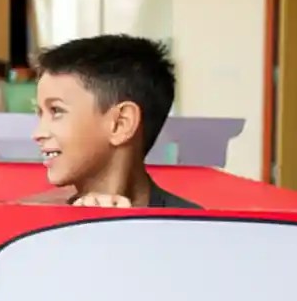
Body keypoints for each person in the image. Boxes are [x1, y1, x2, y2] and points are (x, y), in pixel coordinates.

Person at [29, 34, 199, 209]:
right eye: (40, 113)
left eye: (56, 111)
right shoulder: (31, 220)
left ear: (121, 123)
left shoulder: (195, 228)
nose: (37, 134)